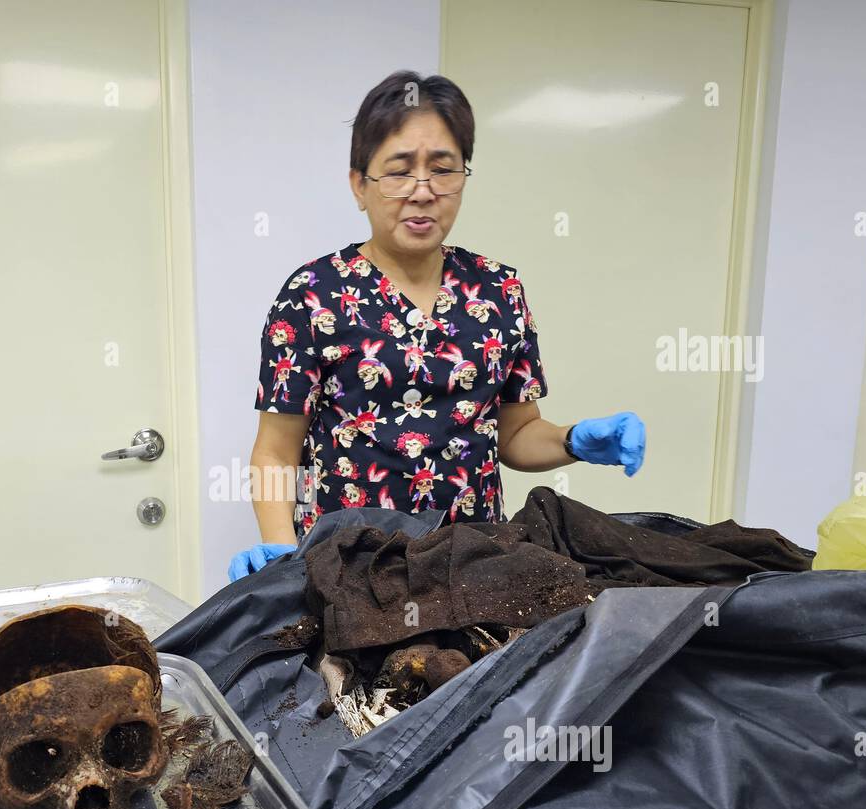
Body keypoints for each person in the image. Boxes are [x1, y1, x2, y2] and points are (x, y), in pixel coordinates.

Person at [229, 71, 645, 581]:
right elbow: (275, 449)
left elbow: (516, 433)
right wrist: (279, 548)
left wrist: (573, 440)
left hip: (474, 564)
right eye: (399, 171)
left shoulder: (498, 291)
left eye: (443, 170)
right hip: (347, 568)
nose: (423, 191)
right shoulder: (312, 294)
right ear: (360, 185)